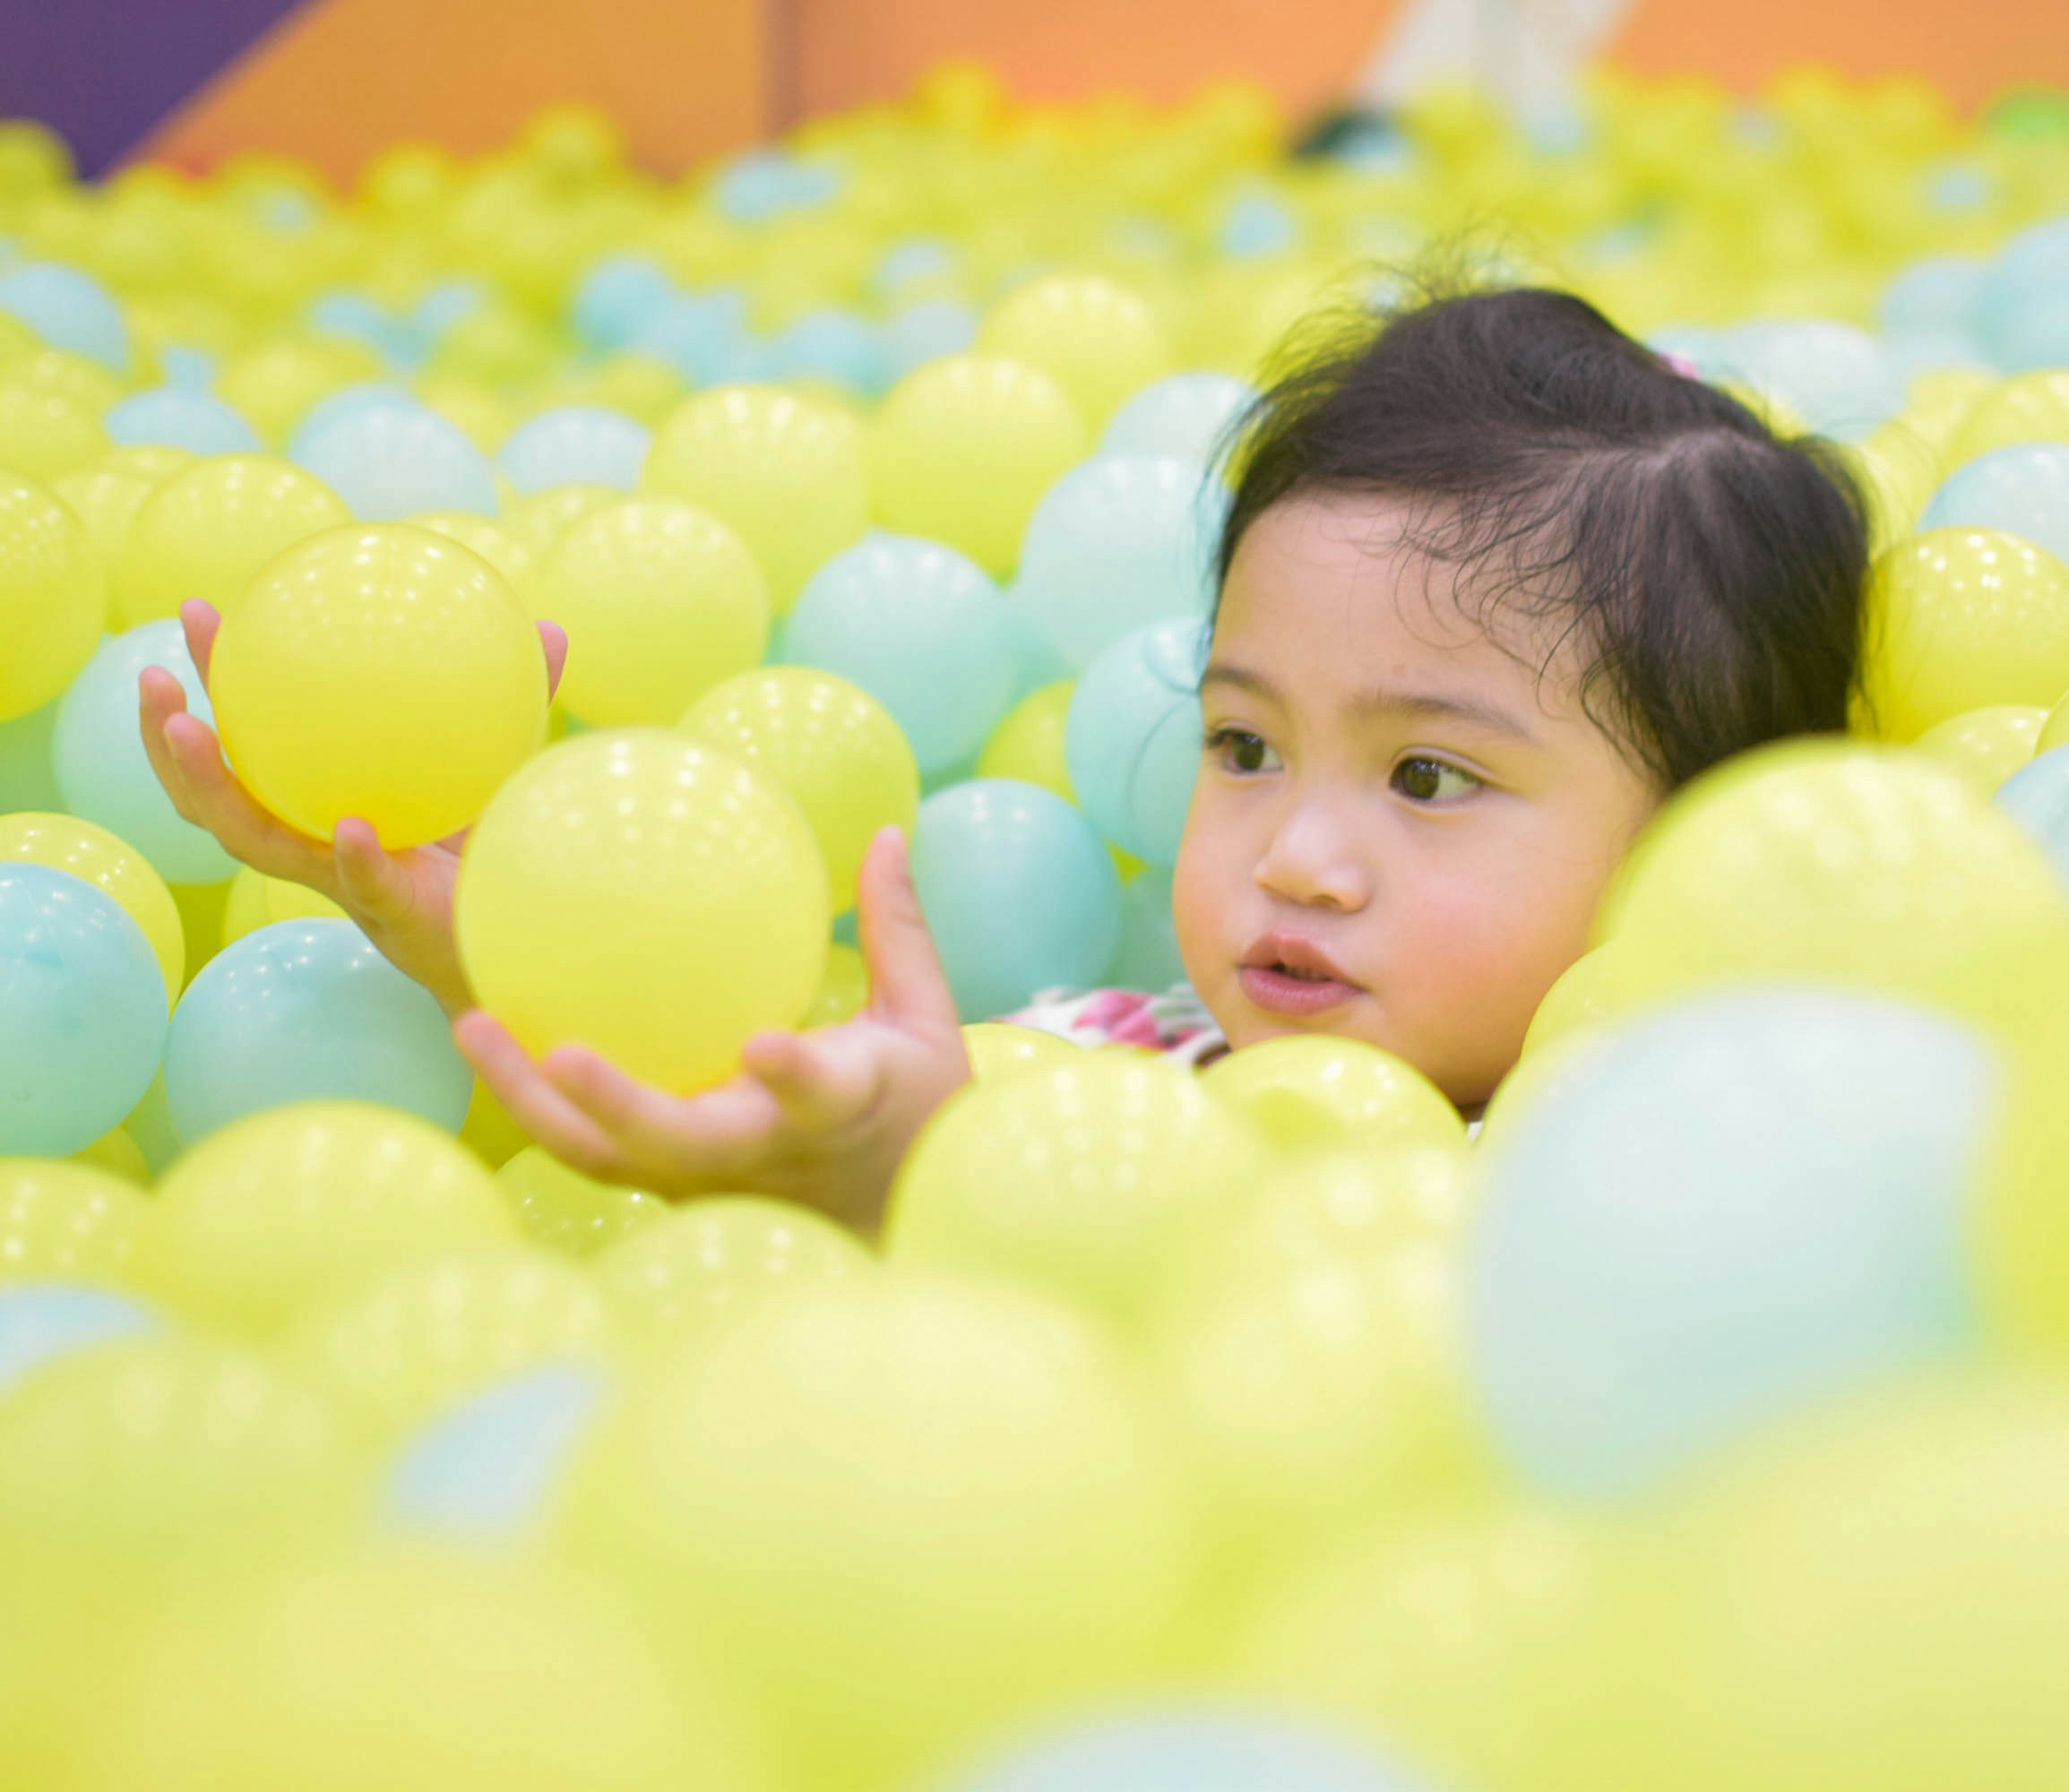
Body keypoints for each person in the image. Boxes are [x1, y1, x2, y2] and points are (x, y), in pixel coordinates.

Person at [137, 281, 1871, 1231]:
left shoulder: (1629, 1183)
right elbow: (774, 1096)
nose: (1293, 856)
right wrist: (495, 919)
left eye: (1426, 779)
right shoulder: (1105, 1058)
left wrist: (934, 1194)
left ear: (1698, 847)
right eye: (1246, 744)